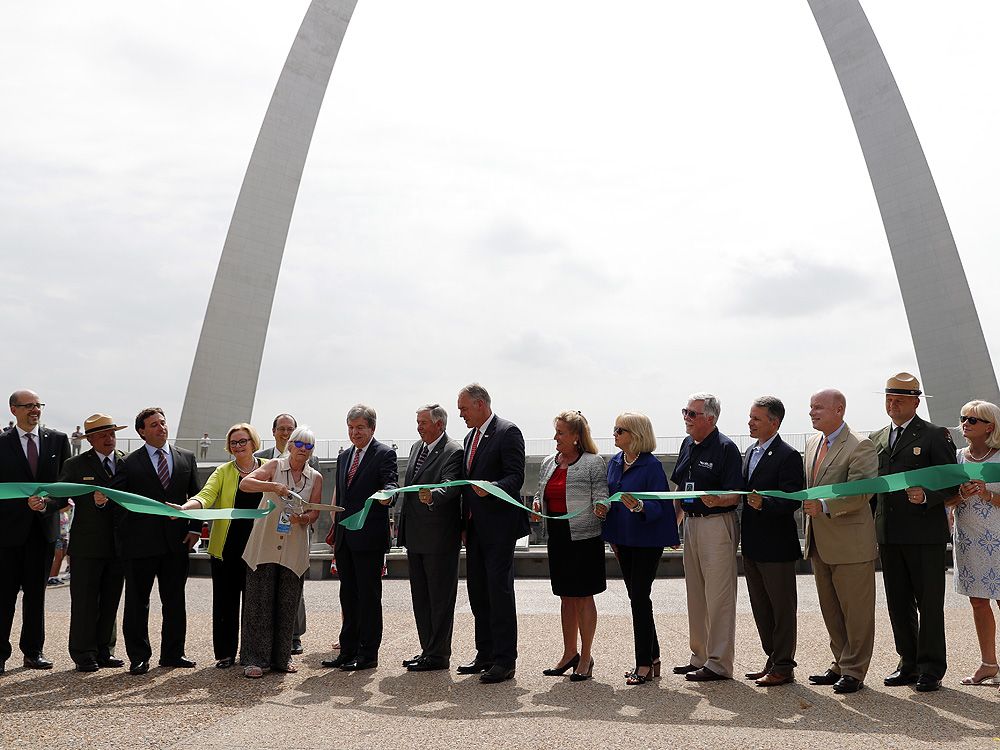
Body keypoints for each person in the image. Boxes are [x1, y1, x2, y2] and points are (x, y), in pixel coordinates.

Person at [870, 372, 957, 693]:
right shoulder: (878, 438)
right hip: (889, 533)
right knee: (898, 602)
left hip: (925, 534)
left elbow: (952, 481)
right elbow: (873, 488)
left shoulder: (935, 435)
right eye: (889, 399)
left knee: (929, 604)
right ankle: (907, 661)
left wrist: (928, 496)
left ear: (915, 402)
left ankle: (931, 667)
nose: (892, 405)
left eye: (900, 400)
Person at [108, 407, 201, 675]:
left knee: (175, 601)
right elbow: (119, 502)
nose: (161, 427)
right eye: (154, 425)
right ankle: (139, 656)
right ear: (142, 432)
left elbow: (197, 496)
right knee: (138, 603)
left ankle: (173, 653)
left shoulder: (186, 458)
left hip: (176, 543)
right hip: (140, 545)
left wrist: (195, 528)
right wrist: (125, 537)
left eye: (163, 422)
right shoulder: (128, 462)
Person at [803, 389, 878, 694]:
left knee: (856, 612)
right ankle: (840, 662)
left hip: (850, 544)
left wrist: (824, 506)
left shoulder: (861, 445)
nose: (811, 412)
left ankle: (855, 670)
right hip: (820, 542)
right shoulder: (811, 444)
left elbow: (863, 491)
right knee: (831, 609)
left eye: (818, 407)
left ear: (839, 410)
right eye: (810, 407)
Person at [176, 423, 264, 669]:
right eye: (233, 442)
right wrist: (186, 508)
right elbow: (205, 496)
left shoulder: (269, 467)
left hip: (258, 548)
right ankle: (225, 653)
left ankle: (253, 654)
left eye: (242, 441)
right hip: (226, 548)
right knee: (225, 603)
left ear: (253, 442)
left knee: (255, 604)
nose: (238, 446)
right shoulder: (223, 471)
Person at [598, 412, 677, 685]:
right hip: (622, 538)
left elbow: (660, 504)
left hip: (646, 539)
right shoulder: (615, 462)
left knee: (640, 597)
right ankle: (653, 657)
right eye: (615, 429)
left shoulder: (651, 466)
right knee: (637, 597)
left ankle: (643, 662)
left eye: (621, 430)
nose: (615, 434)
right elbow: (609, 494)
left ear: (636, 435)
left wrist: (640, 506)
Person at [456, 383, 527, 684]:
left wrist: (491, 489)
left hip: (499, 527)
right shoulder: (470, 437)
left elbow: (516, 477)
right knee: (478, 593)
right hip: (474, 528)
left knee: (499, 592)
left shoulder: (508, 432)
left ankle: (504, 660)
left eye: (464, 409)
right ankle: (484, 653)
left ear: (481, 404)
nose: (461, 415)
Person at [238, 426, 322, 677]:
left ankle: (281, 658)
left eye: (308, 446)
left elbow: (315, 510)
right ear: (290, 445)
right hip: (264, 543)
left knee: (287, 603)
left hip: (294, 547)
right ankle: (254, 658)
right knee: (258, 601)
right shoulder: (275, 465)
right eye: (298, 444)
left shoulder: (315, 477)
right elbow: (246, 484)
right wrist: (274, 487)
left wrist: (304, 519)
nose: (302, 450)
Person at [670, 393, 743, 682]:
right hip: (691, 524)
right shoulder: (687, 444)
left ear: (710, 419)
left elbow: (734, 494)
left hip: (716, 523)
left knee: (719, 596)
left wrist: (719, 500)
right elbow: (679, 489)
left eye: (692, 414)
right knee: (696, 594)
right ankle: (699, 655)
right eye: (685, 411)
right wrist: (672, 526)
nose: (686, 418)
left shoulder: (727, 448)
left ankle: (719, 662)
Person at [322, 405, 398, 671]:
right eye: (351, 428)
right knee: (348, 596)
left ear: (372, 428)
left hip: (369, 539)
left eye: (360, 428)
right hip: (345, 538)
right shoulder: (344, 457)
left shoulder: (384, 454)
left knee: (368, 597)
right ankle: (347, 650)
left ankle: (368, 654)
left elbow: (391, 484)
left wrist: (387, 495)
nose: (354, 433)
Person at [0, 391, 71, 673]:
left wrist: (45, 505)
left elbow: (65, 490)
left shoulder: (58, 440)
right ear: (13, 409)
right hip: (7, 533)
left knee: (36, 596)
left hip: (42, 531)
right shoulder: (1, 443)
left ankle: (33, 652)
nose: (35, 410)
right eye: (28, 406)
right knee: (3, 596)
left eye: (38, 405)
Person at [534, 411, 607, 682]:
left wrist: (602, 507)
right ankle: (569, 653)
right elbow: (544, 494)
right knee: (565, 597)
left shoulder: (593, 462)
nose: (555, 438)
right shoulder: (547, 462)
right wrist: (538, 504)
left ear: (576, 437)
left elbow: (602, 496)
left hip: (584, 539)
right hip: (558, 536)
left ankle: (586, 657)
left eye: (561, 433)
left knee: (584, 596)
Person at [741, 397, 805, 687]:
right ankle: (772, 658)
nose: (750, 422)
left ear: (774, 422)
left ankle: (783, 665)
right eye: (750, 417)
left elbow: (793, 499)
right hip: (752, 544)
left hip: (777, 546)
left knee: (781, 608)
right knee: (761, 607)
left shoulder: (788, 455)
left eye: (756, 418)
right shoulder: (749, 452)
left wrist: (764, 503)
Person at [57, 413, 128, 672]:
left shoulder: (125, 462)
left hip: (118, 545)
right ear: (90, 440)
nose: (109, 439)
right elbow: (60, 494)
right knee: (85, 601)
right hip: (87, 545)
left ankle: (104, 650)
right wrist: (44, 504)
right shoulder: (76, 465)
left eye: (112, 433)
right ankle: (82, 652)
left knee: (110, 600)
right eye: (102, 435)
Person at [398, 404, 463, 672]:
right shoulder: (416, 447)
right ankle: (427, 650)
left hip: (439, 538)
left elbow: (449, 485)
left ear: (440, 425)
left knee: (439, 599)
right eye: (418, 422)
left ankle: (438, 655)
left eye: (423, 422)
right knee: (421, 598)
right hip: (415, 536)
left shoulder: (453, 451)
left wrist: (433, 495)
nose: (419, 427)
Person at [255, 413, 318, 655]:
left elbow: (314, 504)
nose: (285, 433)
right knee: (266, 587)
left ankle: (293, 635)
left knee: (294, 587)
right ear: (275, 432)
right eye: (282, 429)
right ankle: (266, 640)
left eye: (289, 428)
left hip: (296, 532)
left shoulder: (314, 466)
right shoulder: (264, 461)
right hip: (268, 530)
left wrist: (303, 519)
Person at [947, 399, 1000, 689]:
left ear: (990, 426)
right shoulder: (956, 458)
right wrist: (963, 495)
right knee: (978, 601)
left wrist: (987, 494)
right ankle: (988, 664)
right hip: (968, 538)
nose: (965, 422)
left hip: (999, 536)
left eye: (973, 419)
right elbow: (947, 500)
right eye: (963, 417)